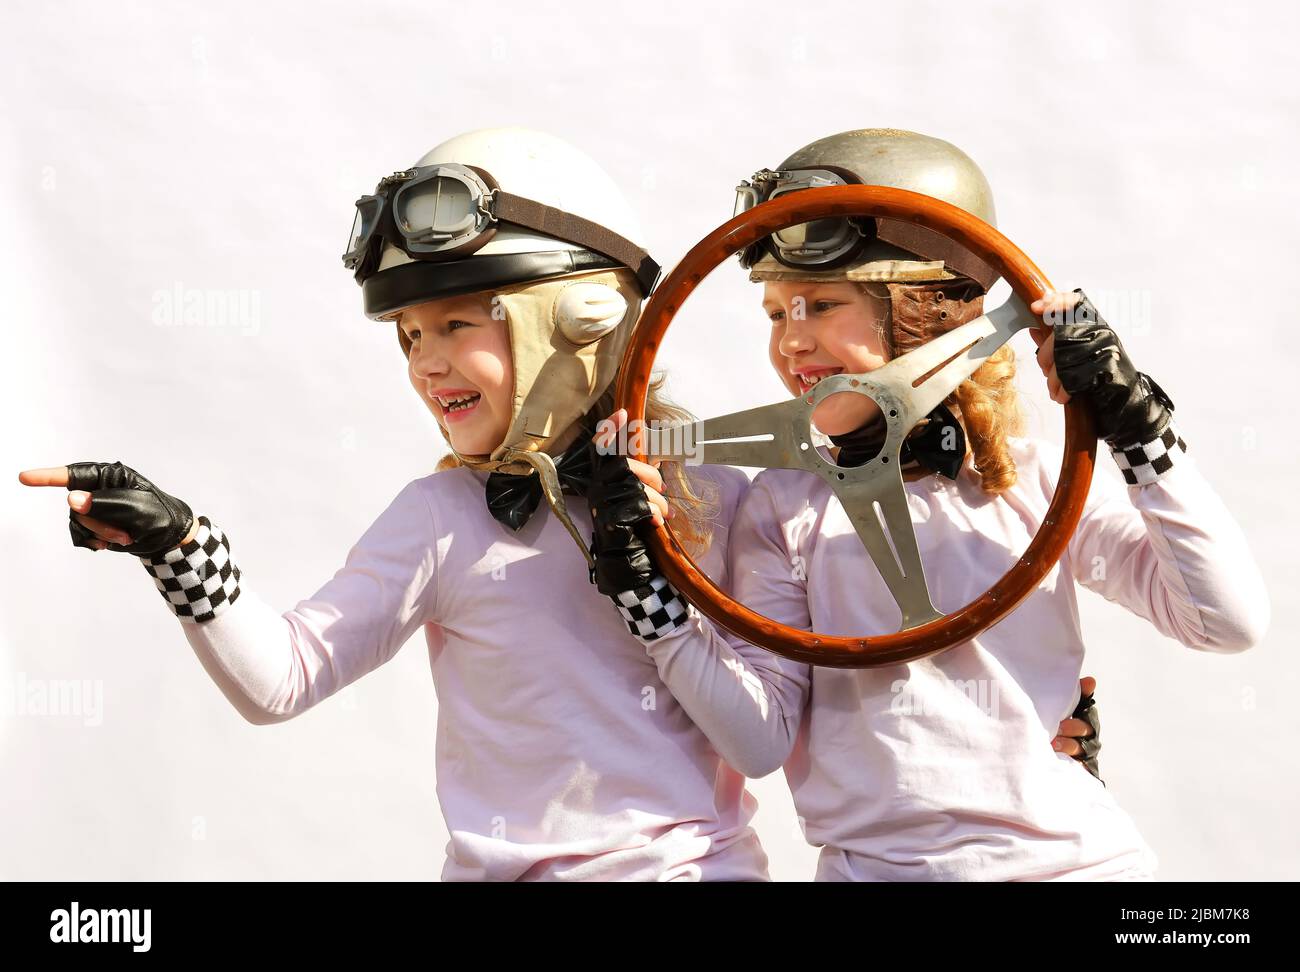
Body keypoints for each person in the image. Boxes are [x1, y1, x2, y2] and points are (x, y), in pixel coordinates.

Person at [18, 127, 774, 881]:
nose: (425, 364)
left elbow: (760, 744)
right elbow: (281, 682)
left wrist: (651, 598)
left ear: (579, 320)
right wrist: (179, 549)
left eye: (455, 324)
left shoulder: (712, 496)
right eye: (410, 335)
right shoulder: (439, 516)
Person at [586, 128, 1268, 880]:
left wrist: (1139, 431)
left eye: (822, 305)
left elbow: (1223, 620)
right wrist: (650, 600)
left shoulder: (1036, 481)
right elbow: (758, 740)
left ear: (926, 313)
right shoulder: (780, 507)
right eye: (776, 314)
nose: (791, 342)